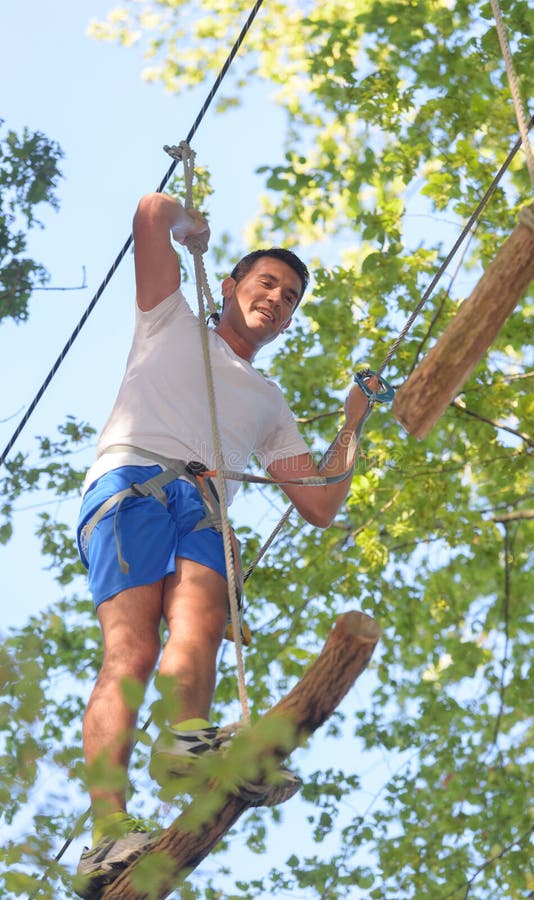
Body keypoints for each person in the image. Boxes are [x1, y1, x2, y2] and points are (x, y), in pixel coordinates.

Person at [74, 192, 376, 892]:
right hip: (134, 481)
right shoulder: (169, 320)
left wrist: (353, 423)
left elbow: (320, 502)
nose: (277, 298)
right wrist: (189, 223)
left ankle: (185, 740)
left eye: (291, 296)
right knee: (132, 650)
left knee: (204, 623)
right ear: (233, 284)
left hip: (204, 506)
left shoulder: (269, 401)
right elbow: (151, 213)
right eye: (266, 282)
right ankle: (107, 831)